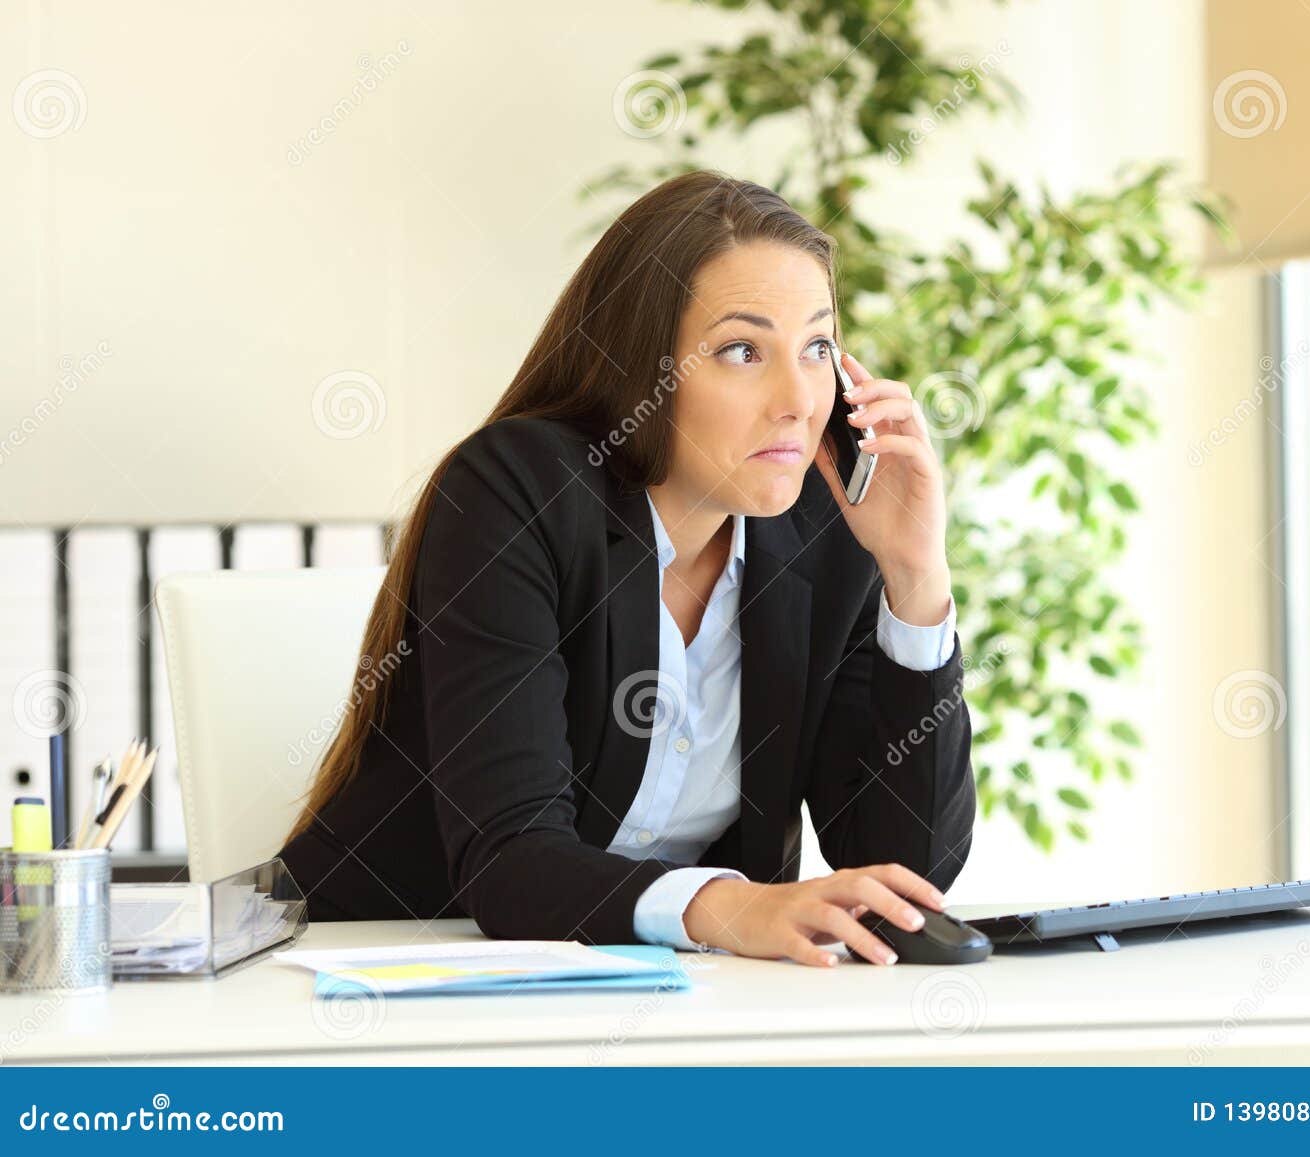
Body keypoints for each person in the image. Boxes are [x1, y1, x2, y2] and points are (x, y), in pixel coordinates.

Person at [276, 170, 975, 967]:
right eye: (743, 350)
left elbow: (904, 876)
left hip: (647, 992)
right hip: (374, 969)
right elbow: (509, 862)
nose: (797, 399)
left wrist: (915, 578)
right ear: (646, 368)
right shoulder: (517, 490)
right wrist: (732, 905)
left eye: (817, 347)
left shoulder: (825, 530)